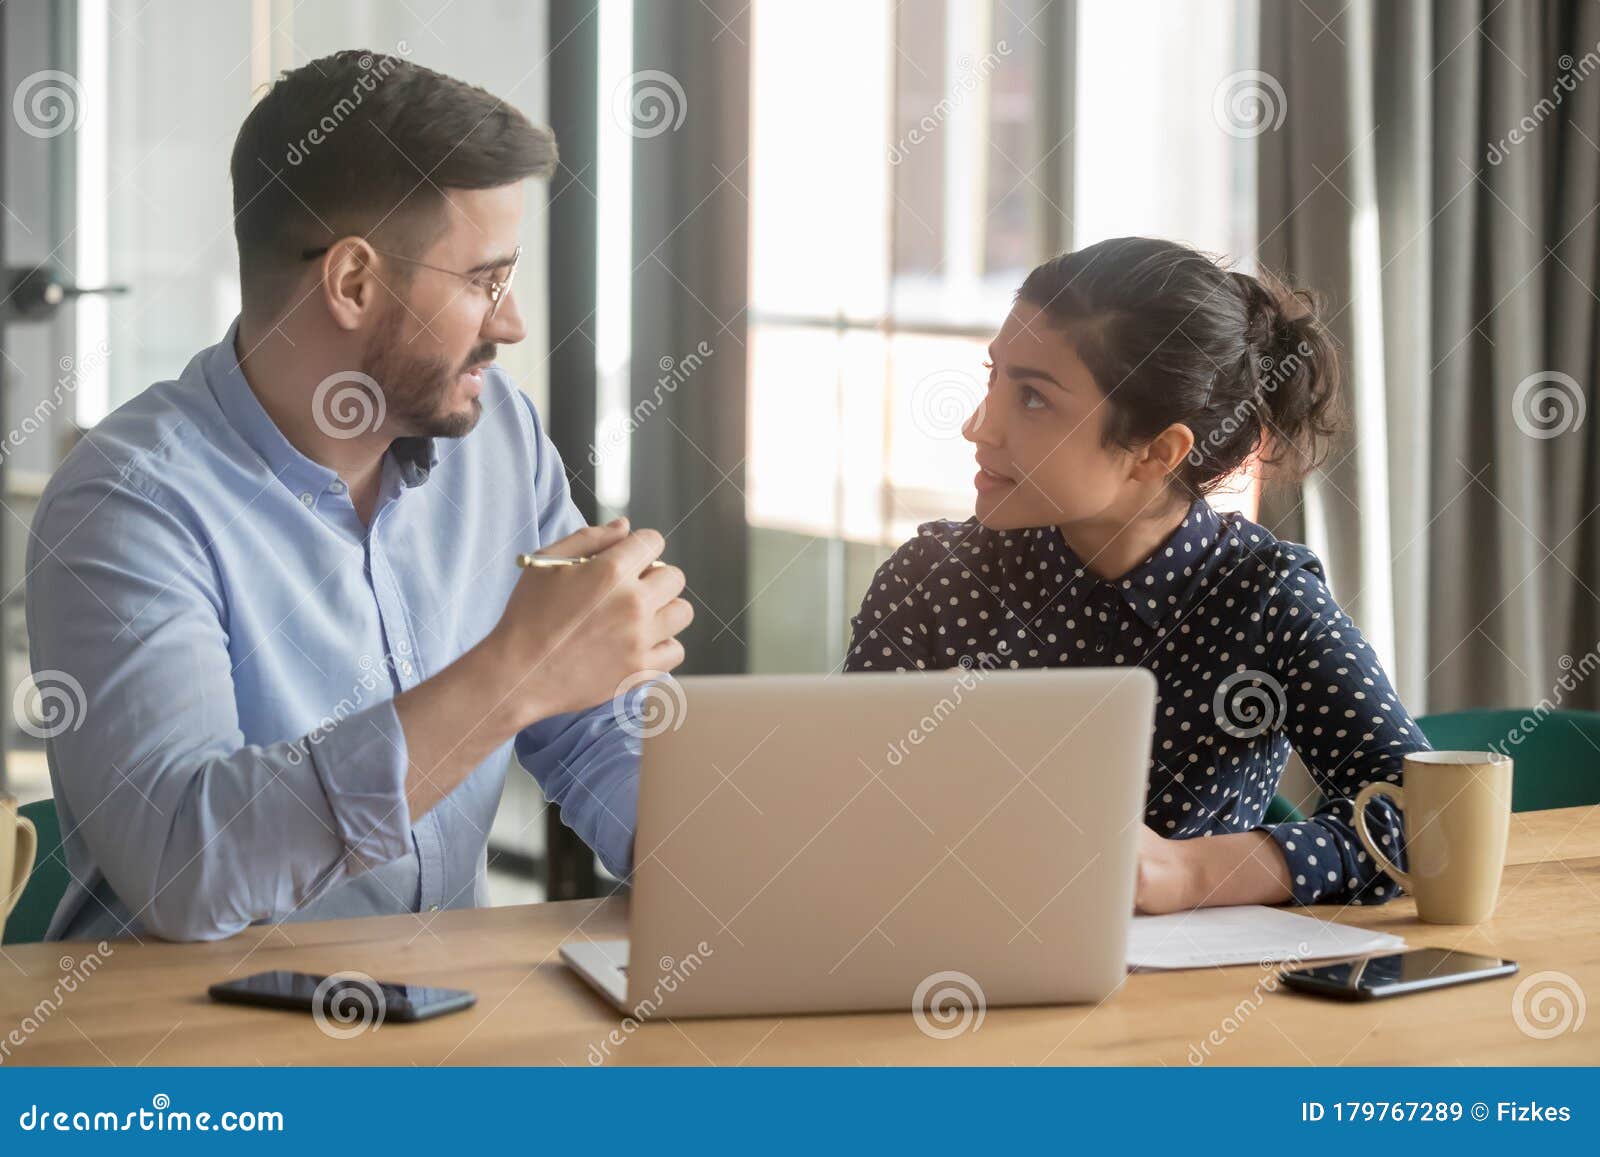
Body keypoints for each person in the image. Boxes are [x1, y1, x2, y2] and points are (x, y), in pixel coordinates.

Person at [26, 50, 691, 942]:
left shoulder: (499, 439)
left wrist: (710, 857)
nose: (513, 321)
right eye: (485, 279)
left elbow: (589, 724)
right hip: (191, 1048)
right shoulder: (128, 502)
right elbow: (186, 865)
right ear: (352, 283)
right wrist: (511, 675)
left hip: (447, 1018)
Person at [845, 236, 1423, 914]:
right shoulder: (929, 580)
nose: (979, 425)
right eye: (994, 376)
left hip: (1199, 1008)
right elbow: (833, 821)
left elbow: (1423, 817)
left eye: (1032, 397)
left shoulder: (1267, 597)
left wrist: (1186, 872)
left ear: (1156, 452)